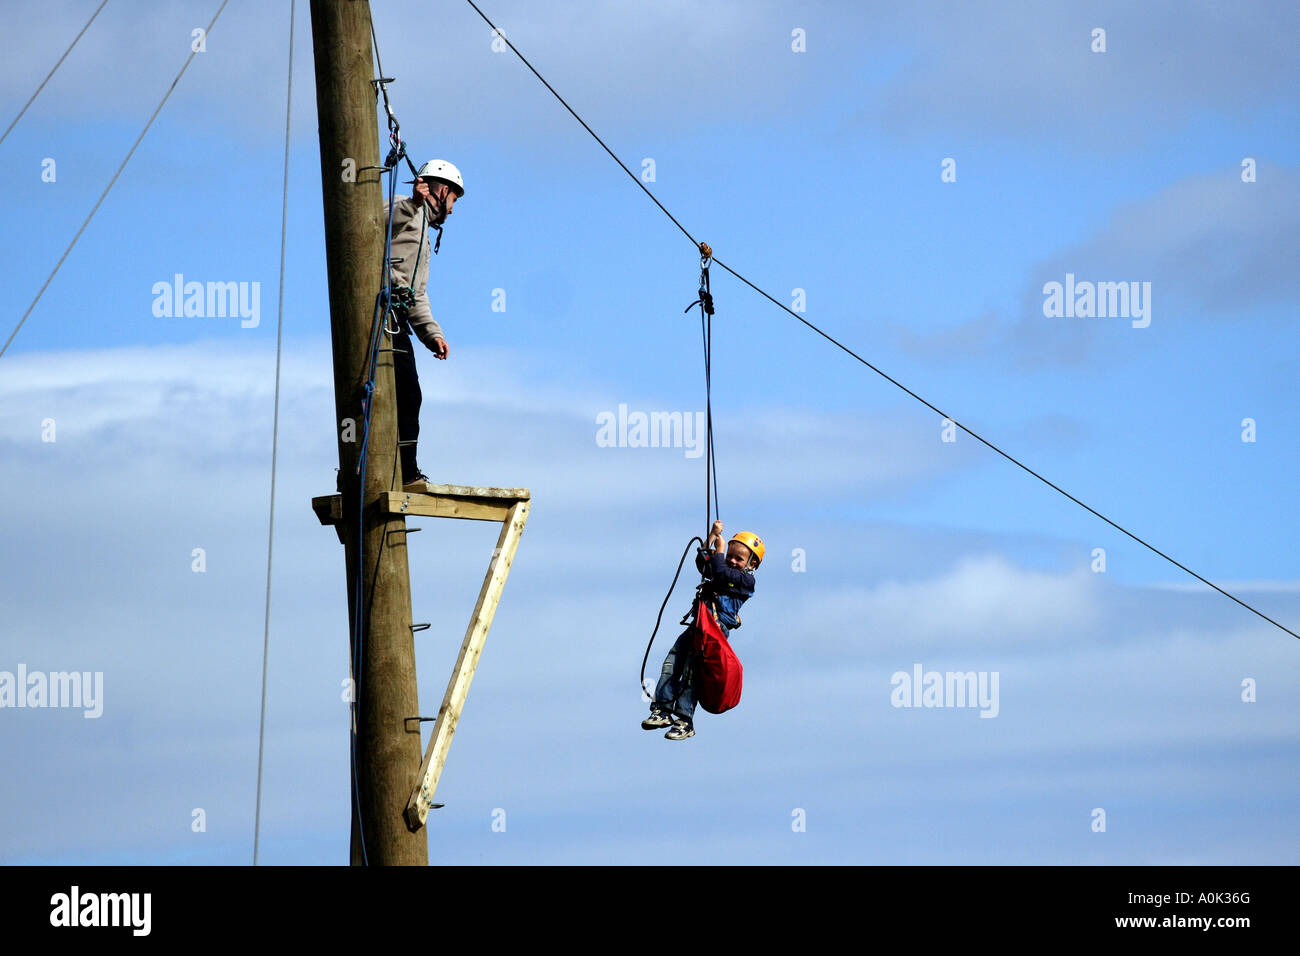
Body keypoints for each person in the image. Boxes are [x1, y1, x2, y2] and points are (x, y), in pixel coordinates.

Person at [644, 522, 764, 740]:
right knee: (673, 660)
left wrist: (719, 551)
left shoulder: (745, 581)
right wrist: (712, 537)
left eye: (739, 559)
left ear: (752, 564)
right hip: (700, 625)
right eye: (730, 555)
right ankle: (662, 708)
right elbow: (704, 564)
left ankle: (684, 719)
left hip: (714, 631)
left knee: (692, 670)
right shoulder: (723, 567)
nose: (732, 561)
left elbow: (720, 573)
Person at [385, 159, 463, 490]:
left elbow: (416, 293)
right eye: (454, 200)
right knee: (400, 393)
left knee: (405, 394)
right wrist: (413, 203)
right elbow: (374, 224)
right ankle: (403, 472)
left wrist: (433, 334)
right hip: (379, 312)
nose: (453, 210)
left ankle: (397, 470)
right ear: (442, 190)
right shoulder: (403, 208)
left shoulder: (423, 231)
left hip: (397, 313)